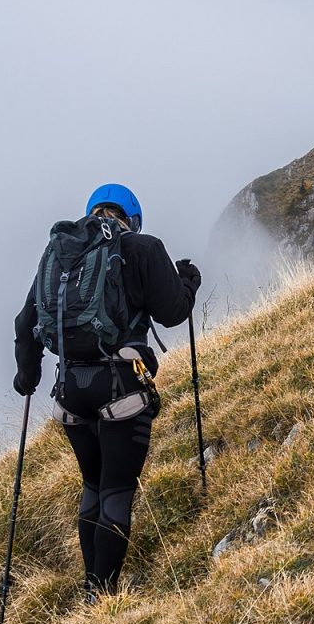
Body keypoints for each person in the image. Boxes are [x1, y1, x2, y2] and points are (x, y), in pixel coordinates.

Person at [13, 183, 200, 600]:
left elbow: (25, 323)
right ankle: (101, 595)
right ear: (131, 217)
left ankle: (91, 586)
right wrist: (188, 282)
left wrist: (27, 377)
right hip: (121, 389)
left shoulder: (60, 256)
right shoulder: (142, 247)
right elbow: (173, 312)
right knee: (117, 490)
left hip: (70, 393)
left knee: (93, 485)